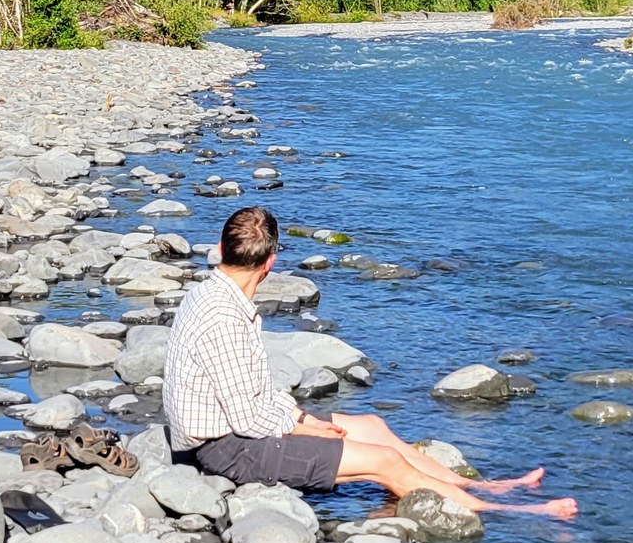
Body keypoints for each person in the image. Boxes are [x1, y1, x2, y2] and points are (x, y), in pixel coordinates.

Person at [161, 206, 577, 518]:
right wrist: (303, 428)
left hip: (237, 430)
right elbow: (245, 418)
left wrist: (302, 419)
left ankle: (483, 485)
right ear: (271, 263)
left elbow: (252, 393)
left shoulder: (217, 295)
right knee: (384, 461)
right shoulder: (223, 318)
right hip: (226, 451)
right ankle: (505, 510)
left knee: (373, 427)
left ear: (220, 250)